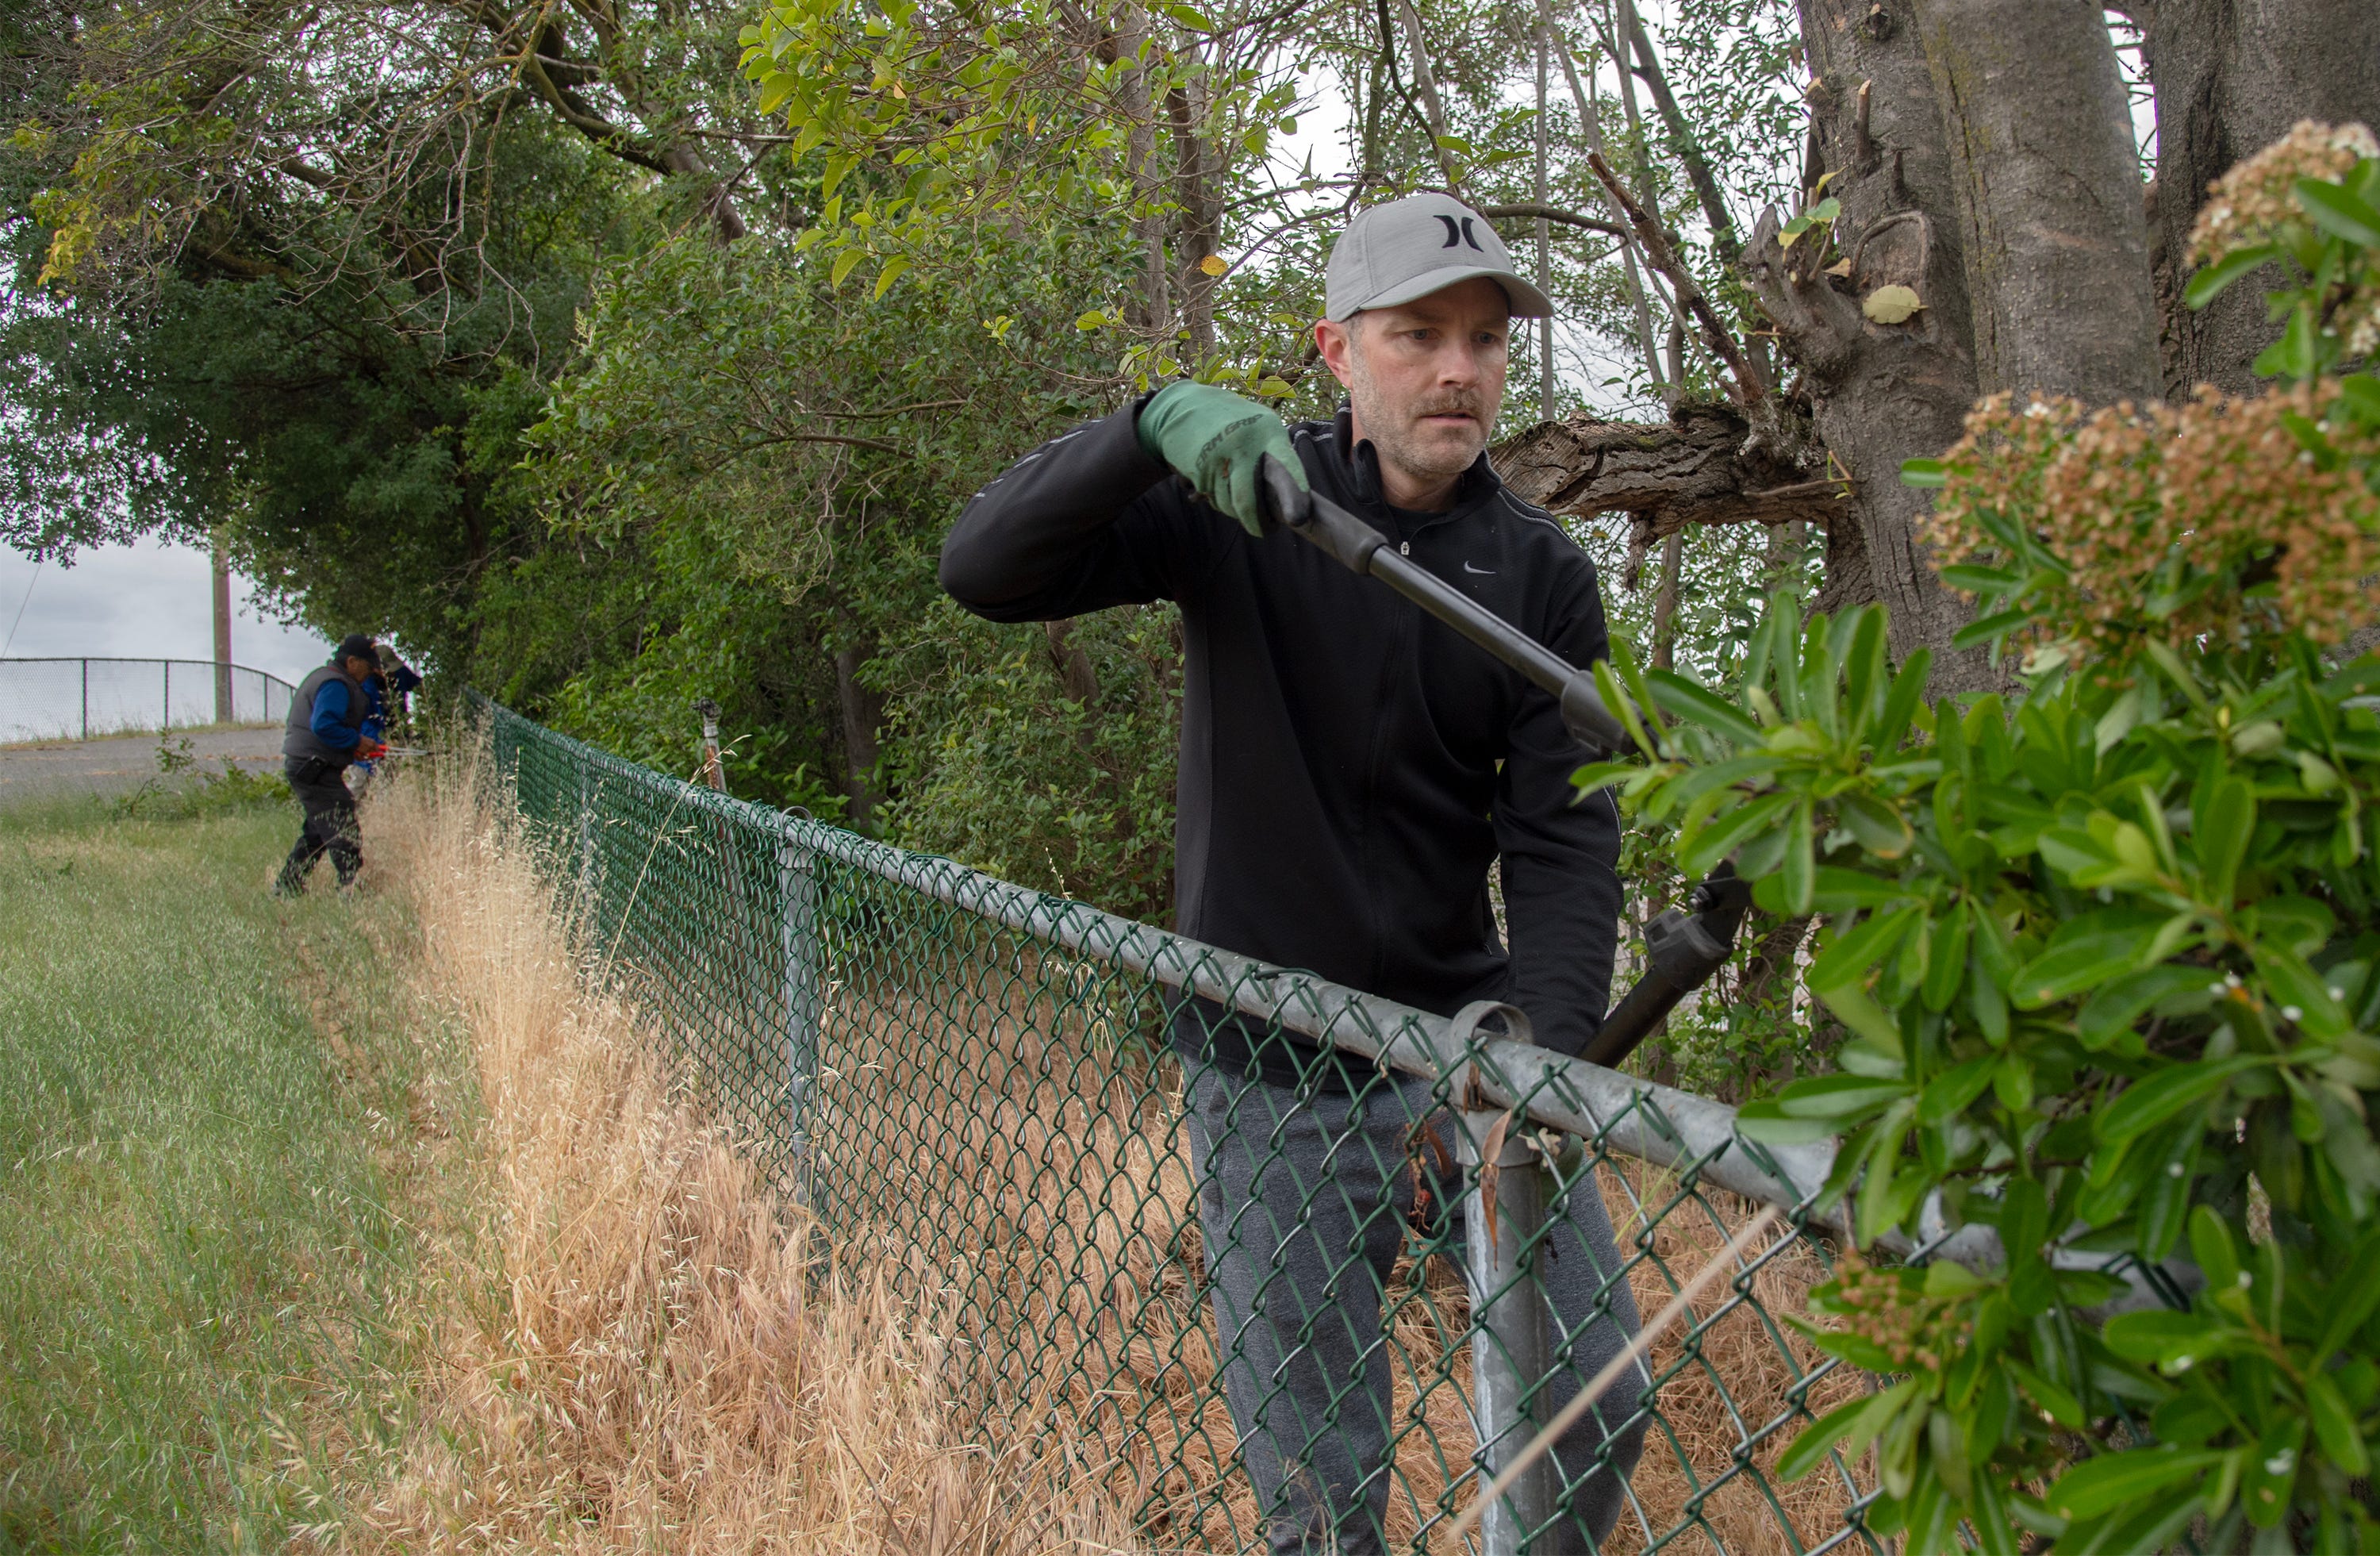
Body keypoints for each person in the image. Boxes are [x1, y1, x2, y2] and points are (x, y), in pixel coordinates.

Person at [939, 192, 1645, 1554]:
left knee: (1595, 1395)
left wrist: (1537, 1079)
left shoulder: (1541, 576)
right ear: (1335, 349)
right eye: (1418, 333)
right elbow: (983, 570)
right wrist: (1147, 428)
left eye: (1487, 340)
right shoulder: (1243, 504)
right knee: (1321, 1481)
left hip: (1463, 1048)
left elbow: (1562, 835)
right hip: (1269, 1059)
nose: (1459, 369)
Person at [274, 635, 387, 896]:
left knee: (318, 829)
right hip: (313, 767)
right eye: (368, 668)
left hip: (309, 764)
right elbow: (324, 725)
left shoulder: (326, 677)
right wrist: (356, 740)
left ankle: (287, 885)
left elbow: (325, 730)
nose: (369, 675)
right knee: (341, 820)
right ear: (352, 661)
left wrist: (352, 750)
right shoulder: (335, 684)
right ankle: (351, 887)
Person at [347, 647, 423, 798]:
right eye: (387, 669)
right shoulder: (362, 685)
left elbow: (420, 686)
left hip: (394, 736)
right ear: (374, 668)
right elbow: (362, 720)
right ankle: (342, 818)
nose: (392, 673)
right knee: (359, 784)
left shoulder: (401, 674)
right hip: (366, 741)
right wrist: (379, 741)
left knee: (387, 786)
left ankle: (383, 816)